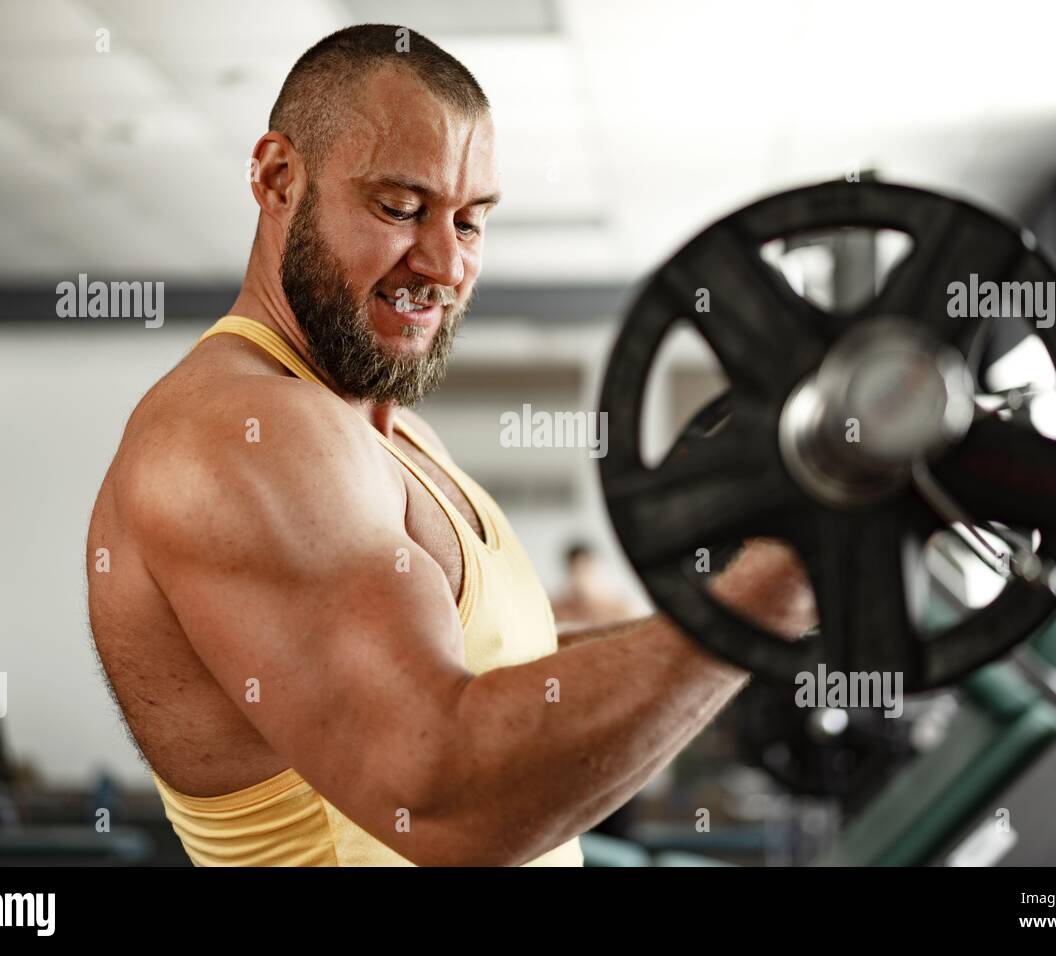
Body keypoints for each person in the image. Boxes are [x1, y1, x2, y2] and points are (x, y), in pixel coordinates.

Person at [85, 23, 815, 867]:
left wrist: (738, 593)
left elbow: (505, 669)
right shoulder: (239, 437)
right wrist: (774, 591)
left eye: (470, 222)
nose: (443, 262)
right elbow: (437, 796)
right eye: (400, 208)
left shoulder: (391, 432)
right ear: (279, 177)